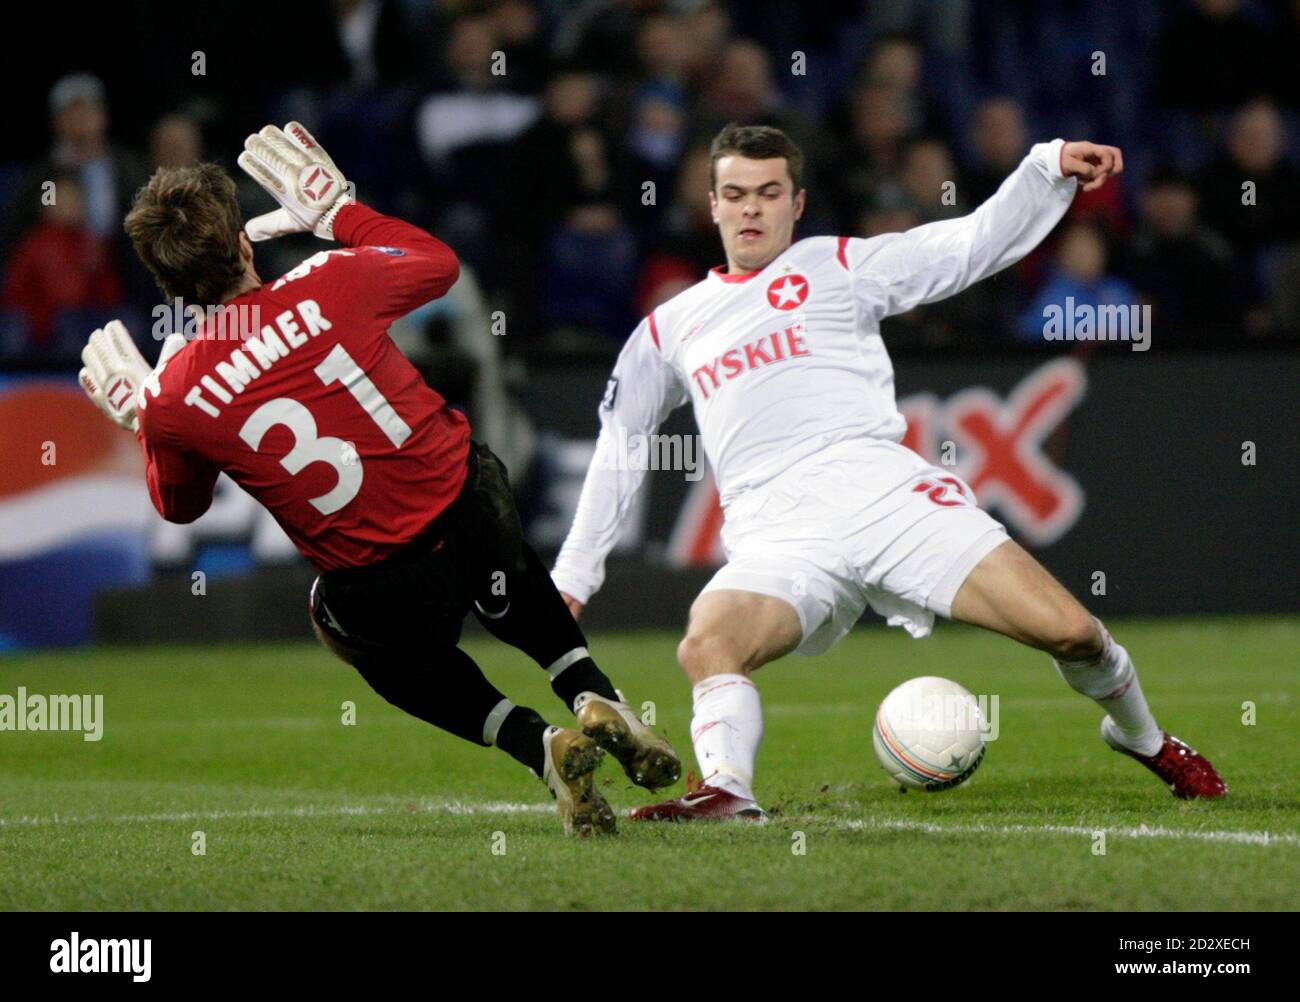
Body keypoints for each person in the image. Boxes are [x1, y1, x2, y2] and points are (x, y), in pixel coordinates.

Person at [553, 123, 1226, 821]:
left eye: (768, 192)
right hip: (778, 535)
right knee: (708, 642)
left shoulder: (838, 266)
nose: (751, 208)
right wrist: (574, 576)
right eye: (735, 194)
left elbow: (968, 247)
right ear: (713, 206)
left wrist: (1044, 166)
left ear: (797, 203)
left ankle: (1140, 737)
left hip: (886, 498)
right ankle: (727, 790)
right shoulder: (669, 328)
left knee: (1074, 633)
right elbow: (621, 445)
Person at [76, 123, 679, 836]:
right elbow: (437, 263)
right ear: (244, 242)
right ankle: (589, 691)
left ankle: (537, 745)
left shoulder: (176, 398)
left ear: (170, 285)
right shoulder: (329, 280)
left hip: (380, 583)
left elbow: (179, 507)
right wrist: (339, 215)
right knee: (500, 559)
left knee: (350, 632)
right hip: (466, 505)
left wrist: (145, 426)